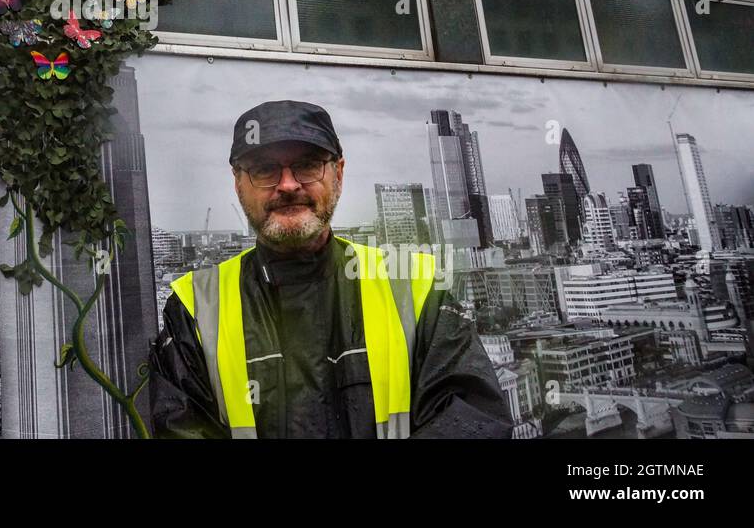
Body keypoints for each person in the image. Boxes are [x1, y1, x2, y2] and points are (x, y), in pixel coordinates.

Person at [148, 100, 513, 439]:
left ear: (338, 173)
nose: (288, 185)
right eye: (263, 169)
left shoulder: (415, 290)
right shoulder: (194, 310)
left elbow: (472, 419)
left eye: (307, 164)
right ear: (238, 183)